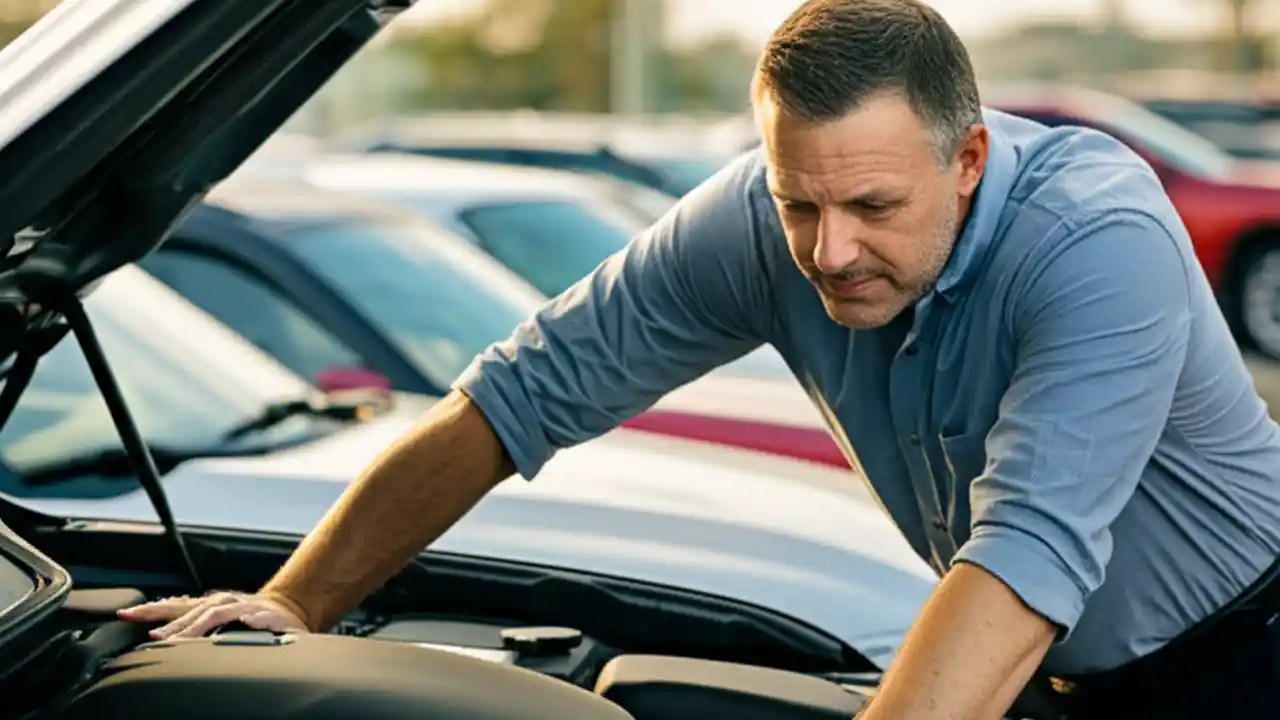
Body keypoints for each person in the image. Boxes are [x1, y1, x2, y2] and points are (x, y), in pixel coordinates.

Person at [120, 1, 1280, 717]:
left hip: (1248, 664)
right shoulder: (757, 222)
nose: (831, 253)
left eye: (873, 204)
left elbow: (1025, 549)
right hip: (1041, 678)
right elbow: (512, 396)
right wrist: (292, 604)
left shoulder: (1093, 239)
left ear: (968, 157)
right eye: (798, 204)